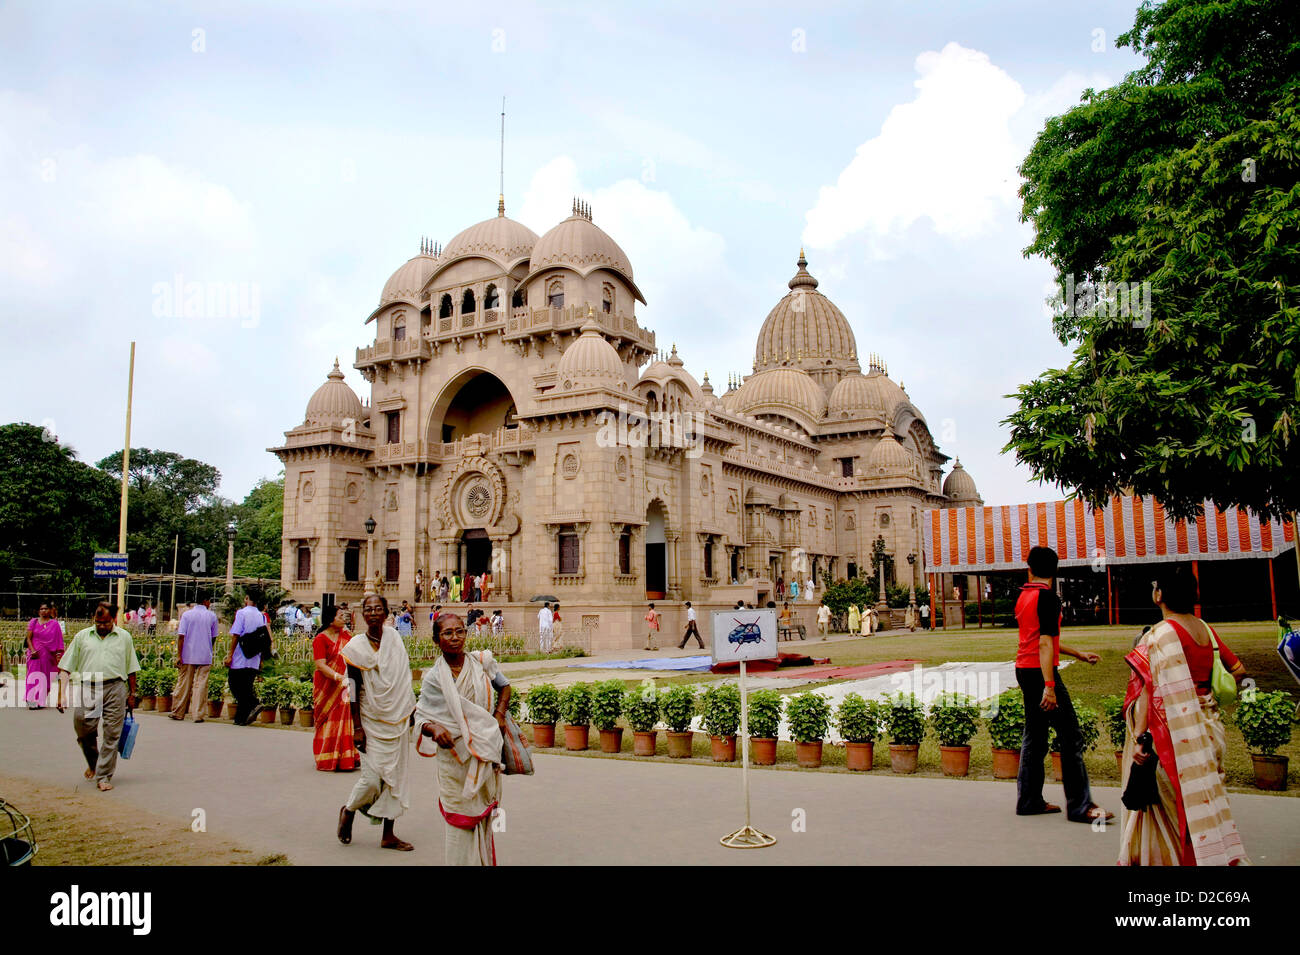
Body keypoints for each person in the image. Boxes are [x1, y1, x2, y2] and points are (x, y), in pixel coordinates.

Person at [1119, 569, 1249, 865]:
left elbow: (1147, 692)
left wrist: (1141, 739)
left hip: (1174, 737)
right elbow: (1239, 670)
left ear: (1159, 594)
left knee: (1174, 806)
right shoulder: (1205, 629)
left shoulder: (1159, 635)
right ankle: (1211, 854)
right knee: (1203, 802)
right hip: (1208, 732)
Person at [1014, 546, 1111, 823]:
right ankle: (1080, 806)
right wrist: (1050, 686)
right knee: (1070, 736)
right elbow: (1044, 643)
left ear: (1029, 568)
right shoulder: (1048, 598)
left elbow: (1041, 639)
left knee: (1035, 736)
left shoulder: (1025, 596)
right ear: (1055, 570)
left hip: (1025, 669)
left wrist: (1078, 654)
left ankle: (1029, 800)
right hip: (1039, 673)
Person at [416, 613, 509, 865]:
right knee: (458, 819)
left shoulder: (482, 662)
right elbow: (421, 717)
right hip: (453, 761)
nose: (455, 638)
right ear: (436, 640)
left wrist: (499, 714)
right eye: (447, 633)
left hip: (485, 755)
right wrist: (434, 728)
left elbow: (505, 687)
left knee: (486, 817)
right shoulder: (434, 678)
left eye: (459, 631)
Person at [337, 594, 416, 851]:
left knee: (396, 778)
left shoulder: (394, 640)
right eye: (368, 609)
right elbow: (351, 687)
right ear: (362, 614)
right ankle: (349, 810)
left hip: (398, 718)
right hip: (370, 719)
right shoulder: (355, 647)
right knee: (372, 779)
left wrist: (410, 707)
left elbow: (403, 677)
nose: (372, 613)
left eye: (377, 609)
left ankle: (389, 834)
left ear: (385, 614)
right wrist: (356, 727)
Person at [57, 602, 139, 791]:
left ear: (114, 620)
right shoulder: (82, 637)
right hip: (90, 688)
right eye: (98, 622)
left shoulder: (124, 637)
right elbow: (65, 667)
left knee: (112, 735)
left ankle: (103, 776)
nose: (101, 626)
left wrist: (132, 694)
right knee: (83, 728)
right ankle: (94, 763)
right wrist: (61, 694)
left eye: (106, 622)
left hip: (115, 687)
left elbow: (132, 669)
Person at [312, 605, 359, 772]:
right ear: (331, 619)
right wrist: (338, 677)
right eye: (340, 616)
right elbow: (320, 665)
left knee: (346, 717)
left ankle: (347, 757)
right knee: (328, 719)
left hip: (346, 684)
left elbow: (355, 656)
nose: (343, 619)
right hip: (327, 685)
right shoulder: (320, 639)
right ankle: (327, 756)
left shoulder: (347, 636)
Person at [172, 596, 218, 722]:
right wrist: (208, 646)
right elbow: (214, 637)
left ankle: (178, 712)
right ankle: (197, 714)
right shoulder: (212, 616)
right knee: (201, 685)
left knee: (184, 684)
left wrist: (179, 655)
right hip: (204, 654)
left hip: (188, 654)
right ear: (205, 601)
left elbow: (181, 636)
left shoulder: (187, 615)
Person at [226, 593, 267, 726]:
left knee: (234, 684)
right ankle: (241, 718)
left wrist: (230, 654)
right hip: (254, 655)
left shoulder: (241, 613)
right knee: (246, 686)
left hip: (241, 654)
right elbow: (264, 638)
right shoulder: (261, 616)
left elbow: (236, 634)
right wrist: (261, 659)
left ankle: (254, 703)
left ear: (247, 598)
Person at [25, 602, 64, 709]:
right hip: (34, 655)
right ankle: (31, 701)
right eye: (41, 609)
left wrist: (59, 656)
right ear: (39, 611)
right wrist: (32, 650)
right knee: (33, 677)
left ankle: (40, 701)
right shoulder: (33, 622)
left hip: (47, 655)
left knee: (44, 678)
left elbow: (59, 640)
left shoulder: (55, 624)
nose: (44, 611)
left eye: (46, 609)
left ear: (50, 611)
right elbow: (28, 638)